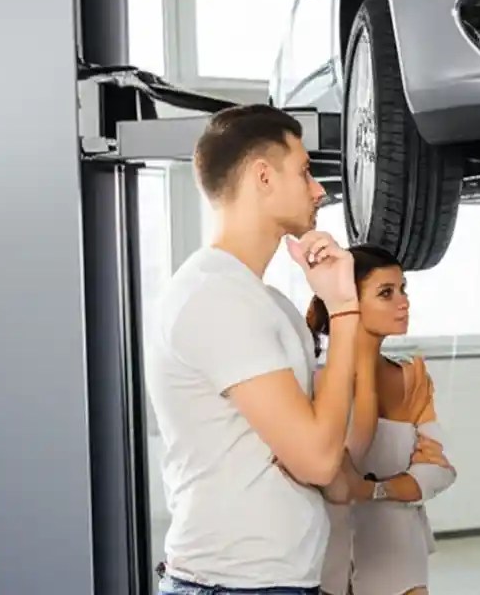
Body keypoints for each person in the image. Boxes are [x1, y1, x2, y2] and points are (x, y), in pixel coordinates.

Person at [146, 104, 371, 595]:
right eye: (306, 171)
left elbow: (332, 471)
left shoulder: (269, 304)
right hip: (232, 586)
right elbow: (318, 460)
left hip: (278, 582)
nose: (320, 190)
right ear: (263, 177)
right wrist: (346, 312)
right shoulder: (213, 296)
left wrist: (340, 305)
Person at [305, 245, 457, 595]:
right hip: (328, 559)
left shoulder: (411, 377)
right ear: (350, 303)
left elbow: (438, 471)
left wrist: (372, 489)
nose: (403, 302)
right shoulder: (312, 382)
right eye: (386, 293)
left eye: (403, 289)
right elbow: (334, 465)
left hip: (398, 556)